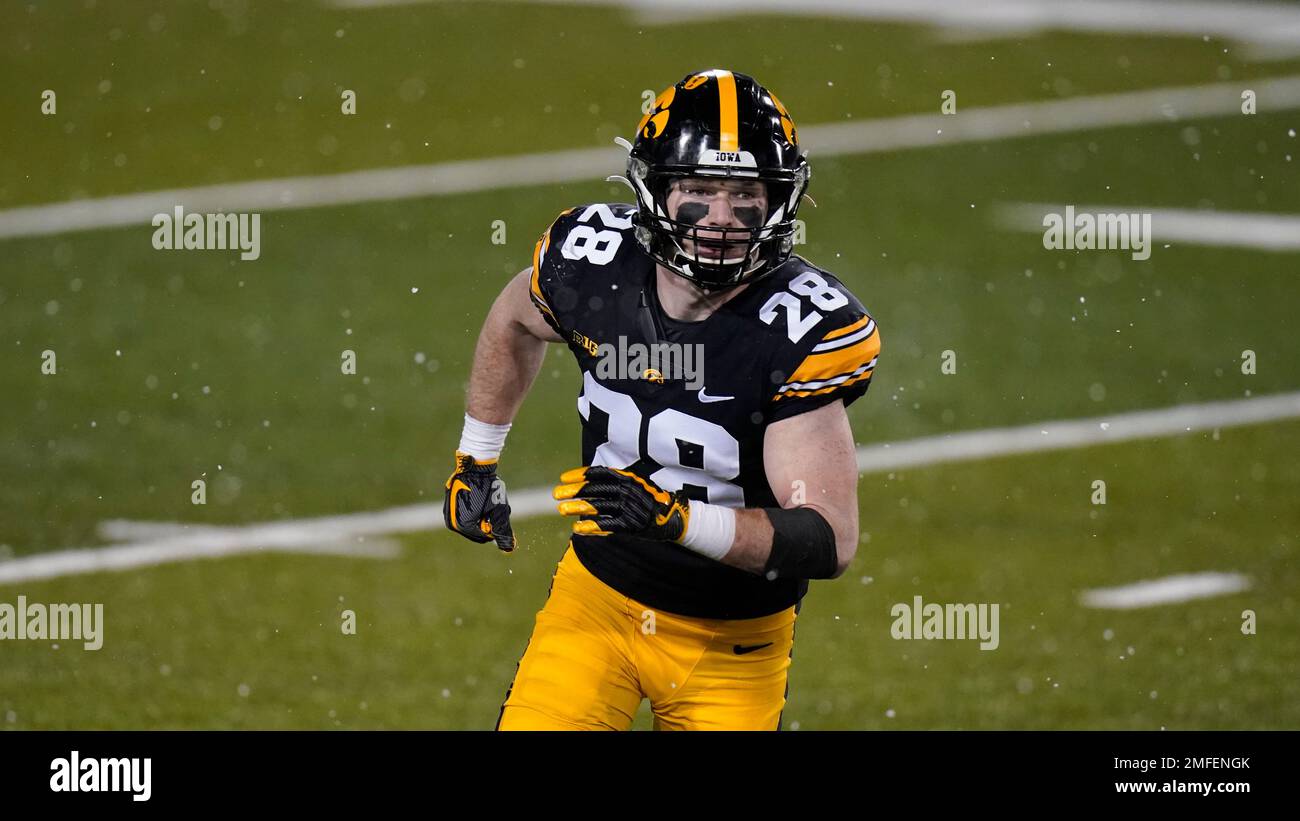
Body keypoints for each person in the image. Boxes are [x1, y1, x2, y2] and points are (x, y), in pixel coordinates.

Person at [444, 69, 882, 730]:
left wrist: (679, 520)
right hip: (597, 602)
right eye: (698, 191)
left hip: (732, 643)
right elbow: (512, 320)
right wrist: (476, 460)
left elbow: (827, 537)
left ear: (780, 202)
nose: (721, 218)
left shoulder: (802, 328)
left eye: (745, 195)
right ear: (656, 189)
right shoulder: (591, 261)